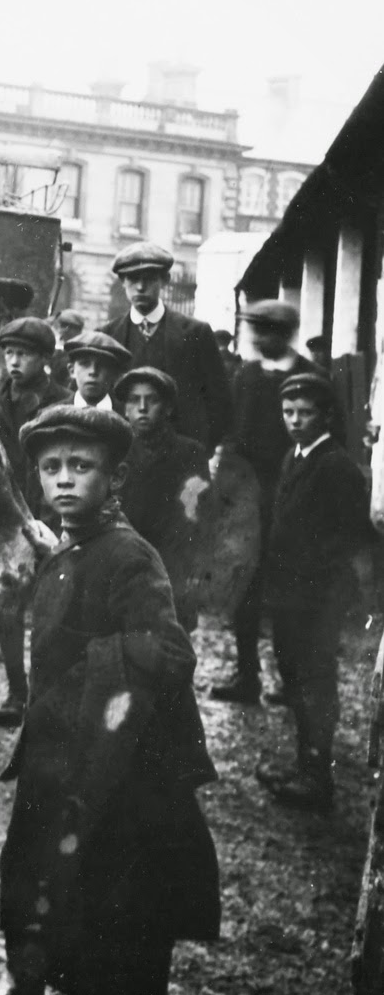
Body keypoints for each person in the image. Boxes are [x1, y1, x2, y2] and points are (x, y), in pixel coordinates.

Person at [0, 404, 219, 995]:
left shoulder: (129, 556)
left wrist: (80, 685)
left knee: (116, 943)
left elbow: (169, 650)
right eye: (50, 468)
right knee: (41, 905)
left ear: (114, 478)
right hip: (57, 772)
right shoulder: (63, 550)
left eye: (81, 466)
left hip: (116, 784)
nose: (64, 479)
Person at [255, 373, 370, 811]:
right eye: (288, 412)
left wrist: (316, 584)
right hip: (290, 595)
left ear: (325, 415)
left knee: (314, 684)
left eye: (305, 413)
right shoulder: (294, 457)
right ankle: (304, 765)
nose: (295, 420)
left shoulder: (336, 466)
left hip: (317, 599)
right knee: (294, 680)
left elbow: (346, 539)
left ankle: (317, 778)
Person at [212, 299, 320, 704]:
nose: (259, 338)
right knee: (244, 591)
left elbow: (330, 445)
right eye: (255, 330)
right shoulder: (246, 376)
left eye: (267, 331)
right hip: (248, 504)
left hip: (294, 504)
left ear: (287, 333)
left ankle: (291, 682)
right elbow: (231, 438)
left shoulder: (311, 378)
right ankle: (247, 675)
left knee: (290, 596)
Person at [0, 317, 71, 728]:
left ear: (45, 359)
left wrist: (52, 520)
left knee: (55, 612)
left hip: (53, 518)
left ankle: (50, 692)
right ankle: (17, 691)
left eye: (26, 354)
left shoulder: (61, 405)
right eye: (10, 353)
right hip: (8, 522)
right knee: (7, 610)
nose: (15, 362)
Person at [102, 241, 232, 452]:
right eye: (133, 279)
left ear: (165, 280)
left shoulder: (195, 333)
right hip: (124, 455)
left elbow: (219, 400)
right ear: (122, 282)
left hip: (182, 456)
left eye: (149, 279)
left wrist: (202, 450)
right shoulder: (108, 335)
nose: (141, 287)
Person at [116, 367, 210, 632]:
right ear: (125, 409)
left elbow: (194, 515)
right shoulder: (116, 452)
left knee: (171, 648)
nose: (142, 408)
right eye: (134, 400)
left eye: (152, 400)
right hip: (124, 565)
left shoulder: (189, 453)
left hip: (172, 568)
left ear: (168, 409)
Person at [63, 329, 130, 410]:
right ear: (72, 370)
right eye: (85, 364)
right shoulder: (53, 416)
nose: (93, 371)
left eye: (103, 365)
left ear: (115, 374)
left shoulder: (126, 415)